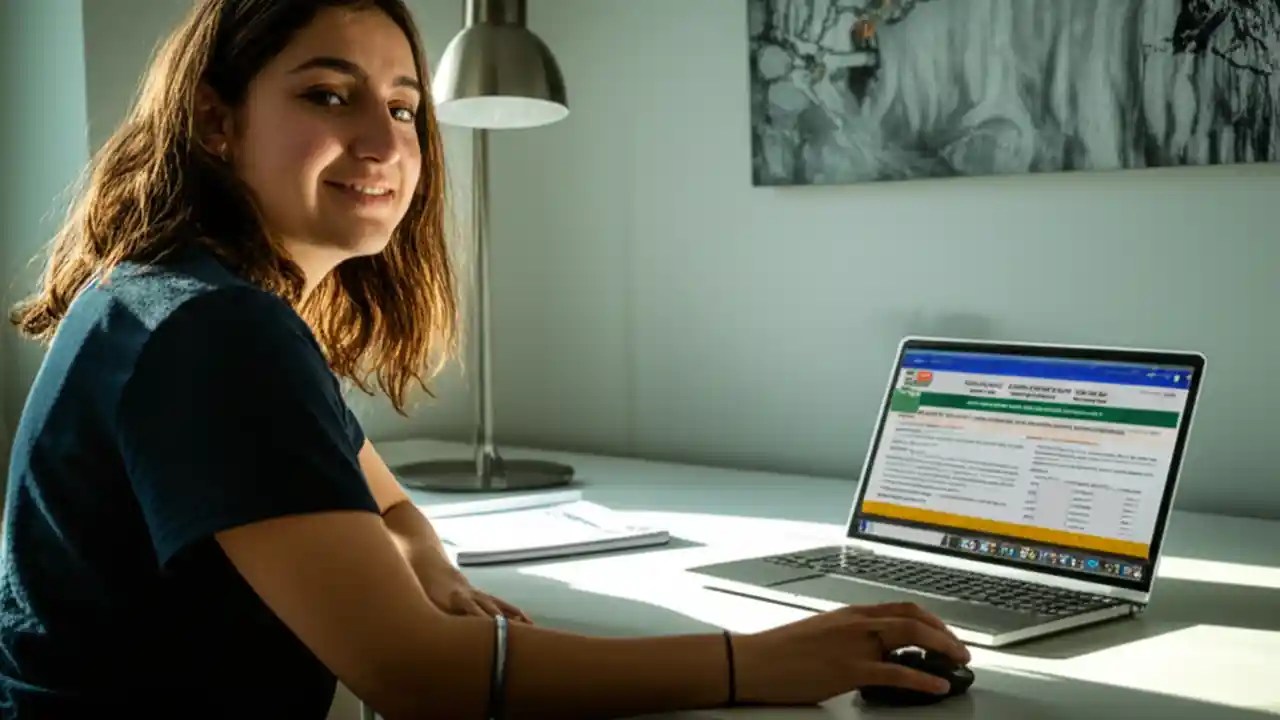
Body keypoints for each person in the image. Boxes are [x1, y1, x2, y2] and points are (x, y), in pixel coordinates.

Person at [0, 0, 970, 717]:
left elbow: (379, 496)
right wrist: (756, 662)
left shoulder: (174, 292)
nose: (384, 139)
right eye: (327, 95)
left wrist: (419, 558)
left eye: (404, 107)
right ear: (217, 122)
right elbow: (416, 676)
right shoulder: (215, 332)